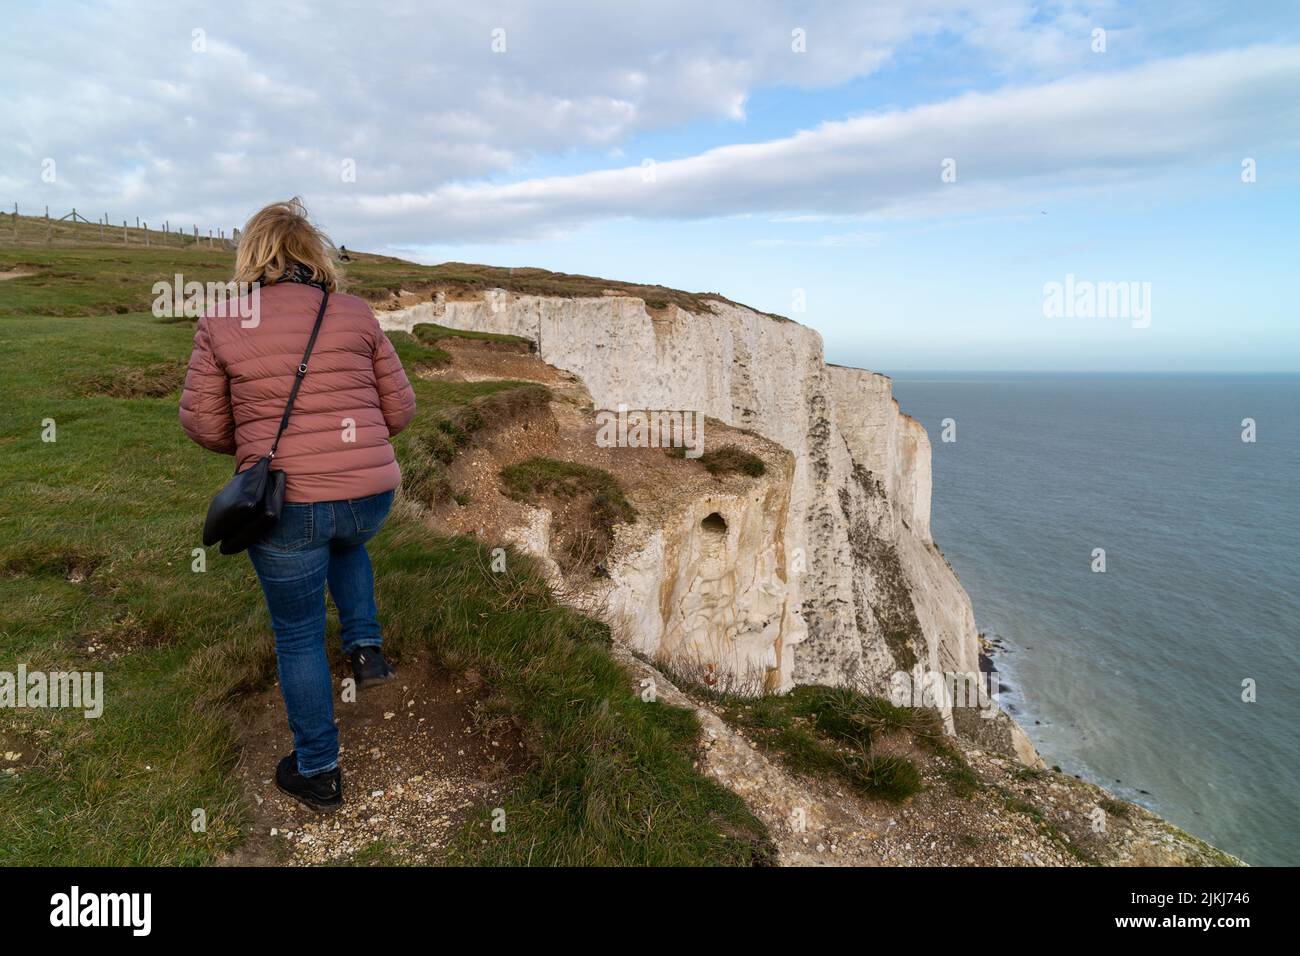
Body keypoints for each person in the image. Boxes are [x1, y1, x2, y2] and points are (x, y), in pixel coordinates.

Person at [179, 198, 416, 812]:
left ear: (254, 256)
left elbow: (204, 424)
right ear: (314, 254)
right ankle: (367, 653)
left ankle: (317, 769)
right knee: (348, 539)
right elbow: (401, 412)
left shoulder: (222, 321)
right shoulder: (356, 314)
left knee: (298, 634)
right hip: (369, 493)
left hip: (288, 505)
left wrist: (258, 441)